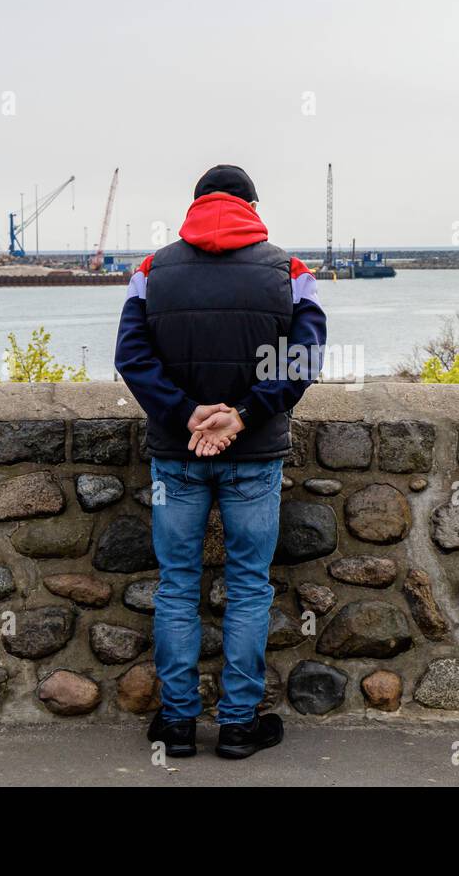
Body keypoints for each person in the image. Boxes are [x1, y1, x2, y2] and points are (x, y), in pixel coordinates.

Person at [114, 164, 327, 759]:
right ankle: (237, 726)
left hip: (174, 458)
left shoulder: (152, 271)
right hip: (254, 456)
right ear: (252, 206)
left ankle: (178, 725)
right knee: (250, 585)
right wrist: (243, 415)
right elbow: (304, 358)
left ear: (196, 205)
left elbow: (131, 356)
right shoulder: (289, 271)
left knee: (177, 584)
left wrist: (186, 415)